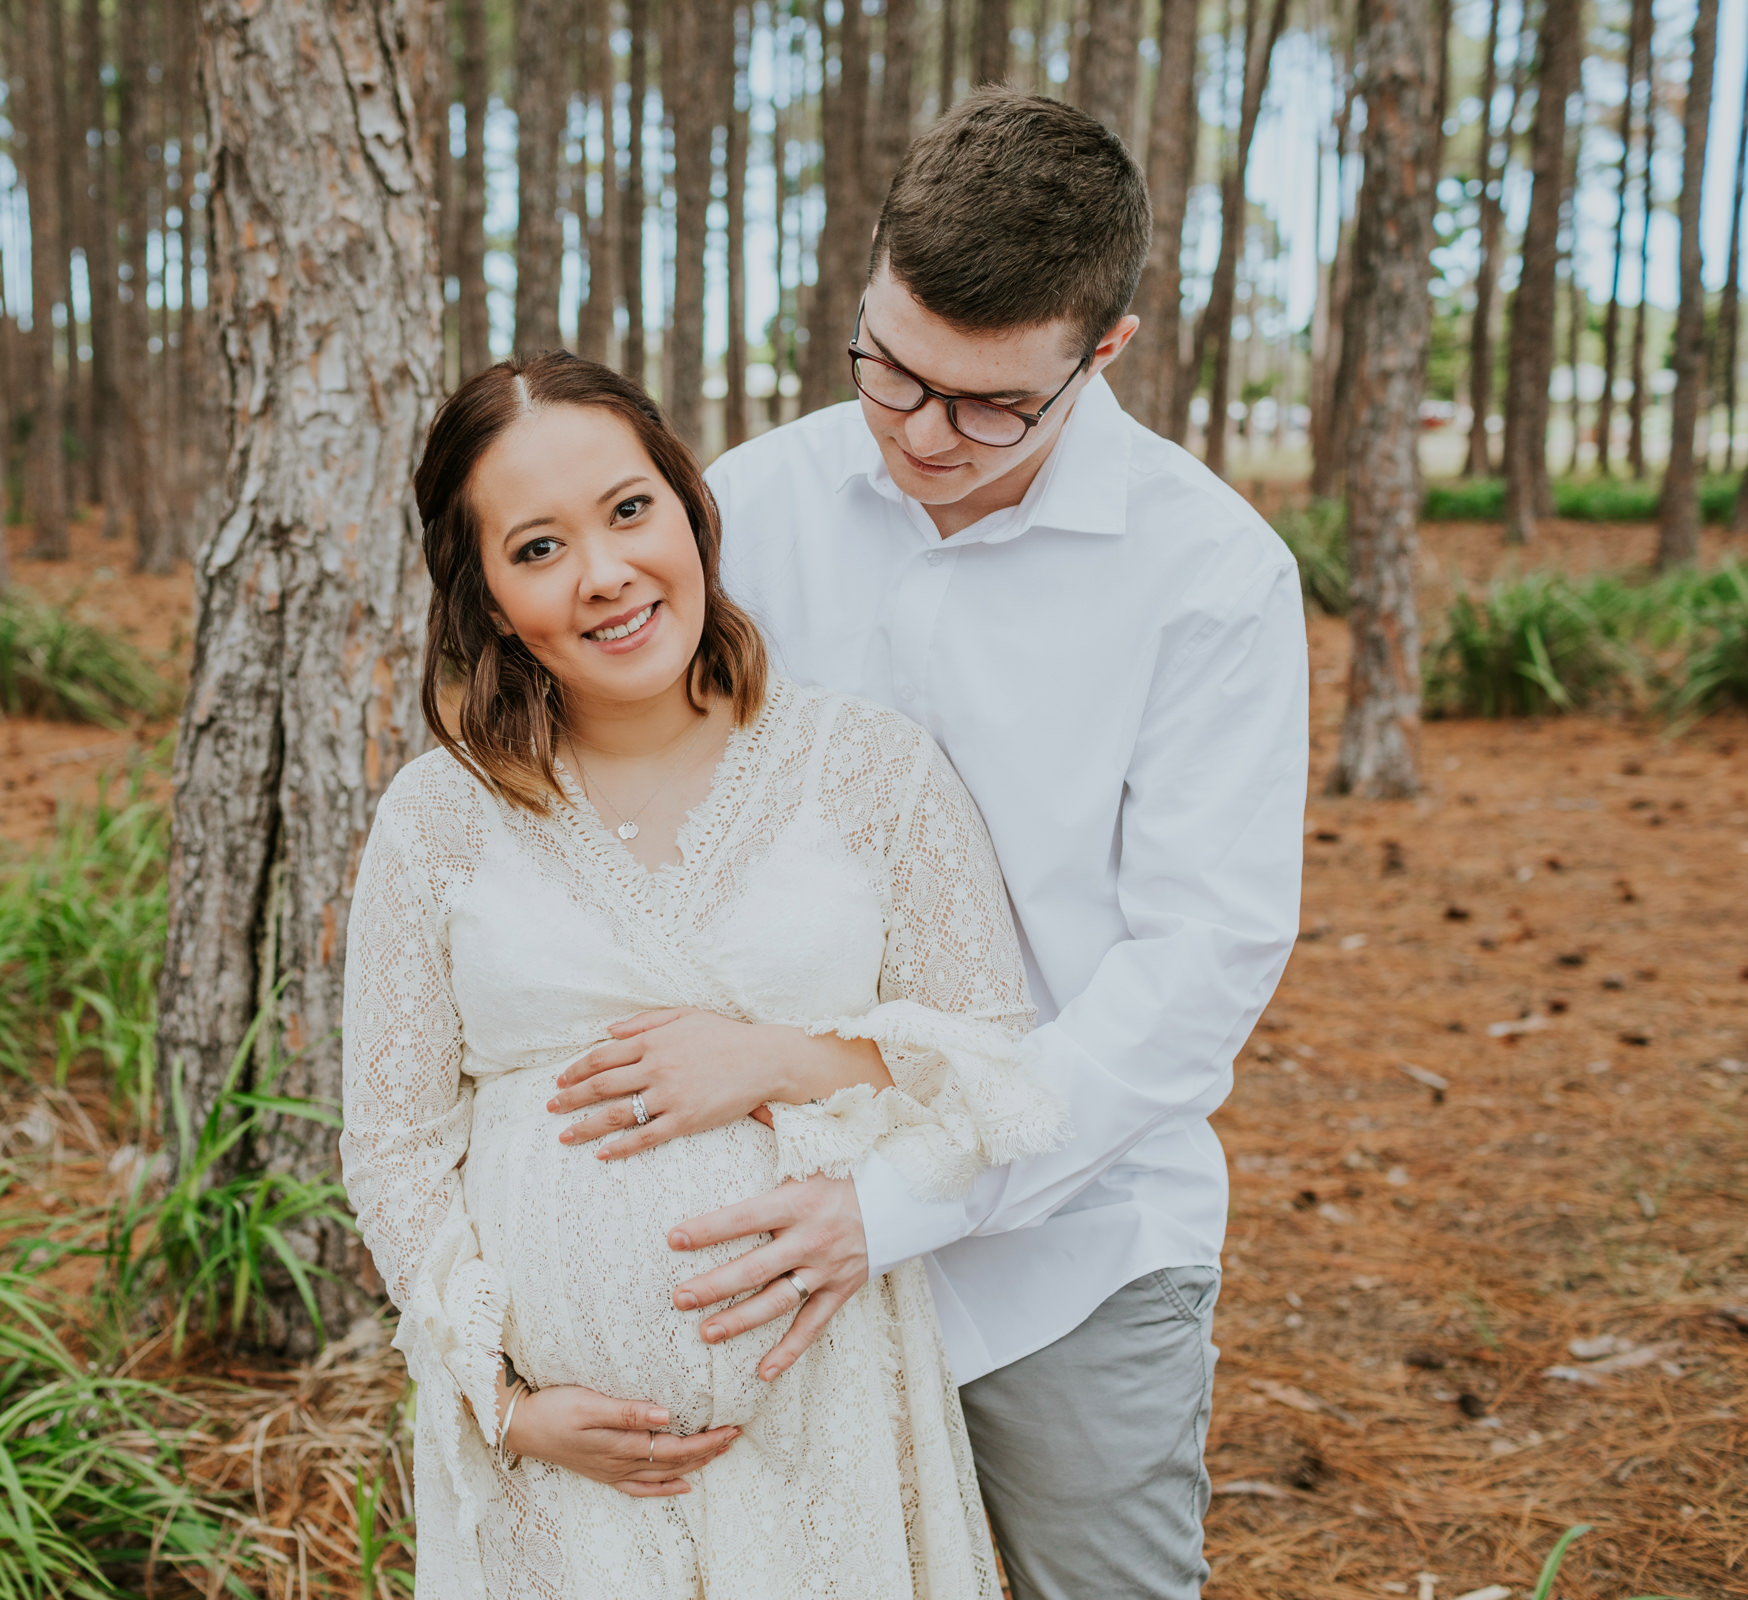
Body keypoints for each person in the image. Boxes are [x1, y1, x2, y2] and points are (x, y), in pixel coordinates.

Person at [540, 89, 1308, 1598]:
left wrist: (892, 1208)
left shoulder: (1211, 579)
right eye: (890, 371)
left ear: (1105, 351)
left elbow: (1195, 977)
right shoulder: (744, 509)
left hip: (1066, 1247)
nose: (922, 435)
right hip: (744, 1229)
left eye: (988, 405)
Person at [339, 351, 1072, 1598]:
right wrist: (506, 1406)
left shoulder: (870, 771)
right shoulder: (438, 818)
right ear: (489, 598)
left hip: (825, 1427)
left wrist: (786, 1059)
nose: (605, 573)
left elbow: (995, 1065)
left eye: (630, 510)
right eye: (537, 548)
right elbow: (394, 1147)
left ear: (689, 505)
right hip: (566, 1484)